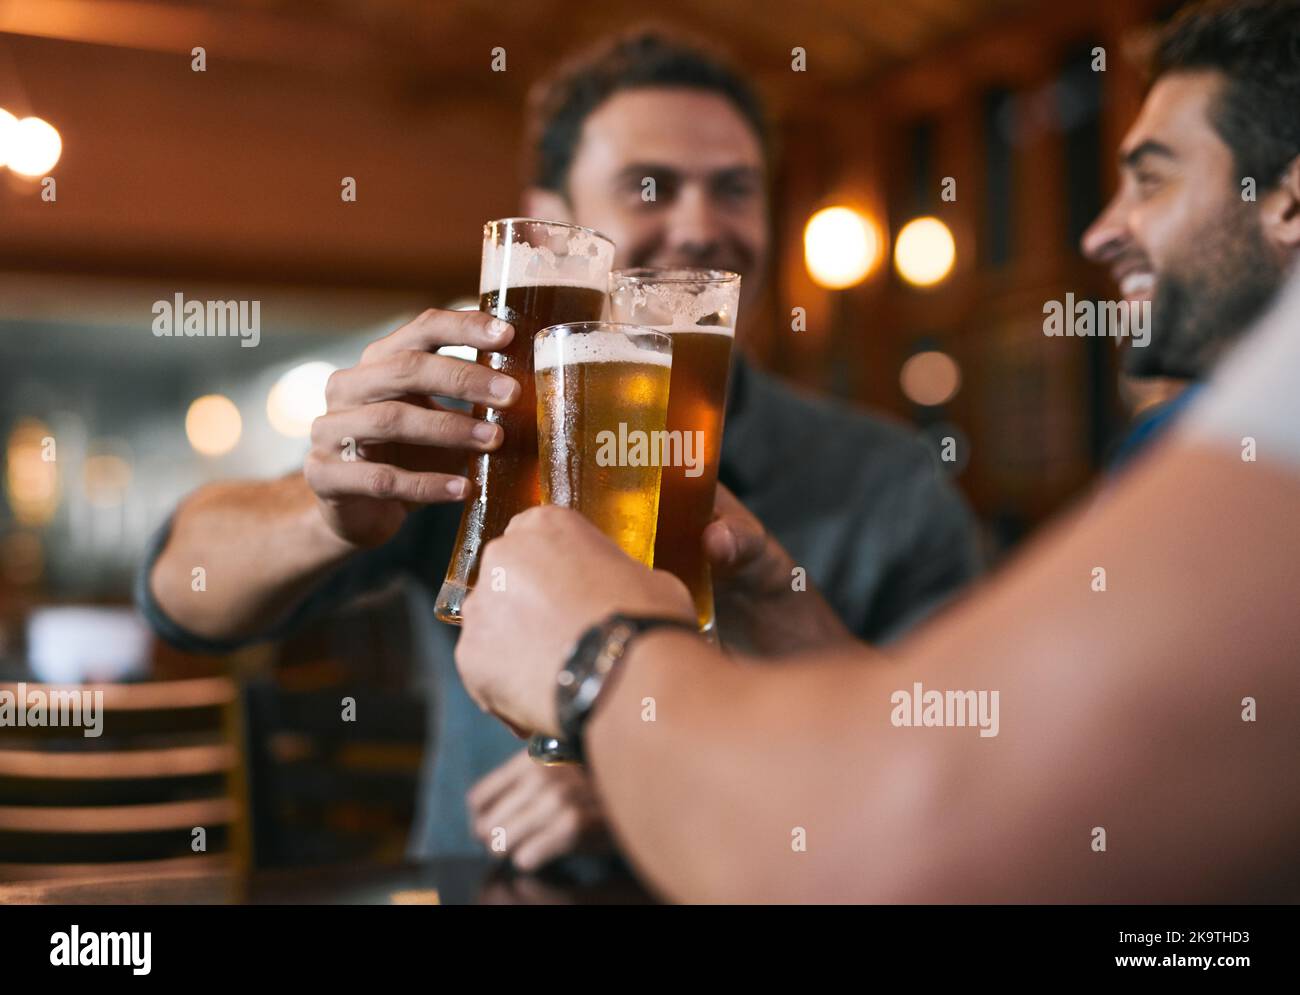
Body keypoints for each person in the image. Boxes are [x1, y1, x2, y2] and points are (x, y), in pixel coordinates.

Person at [137, 29, 981, 871]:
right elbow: (179, 591)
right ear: (551, 223)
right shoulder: (481, 432)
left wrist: (645, 768)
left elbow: (962, 752)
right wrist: (325, 510)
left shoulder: (883, 475)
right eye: (651, 188)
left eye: (734, 189)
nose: (698, 225)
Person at [454, 250, 1300, 905]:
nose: (1101, 226)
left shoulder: (889, 470)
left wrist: (602, 659)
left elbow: (923, 831)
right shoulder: (482, 431)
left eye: (1152, 174)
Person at [1082, 0, 1300, 466]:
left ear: (1290, 205)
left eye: (1151, 181)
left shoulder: (1199, 450)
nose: (1098, 236)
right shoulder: (1170, 440)